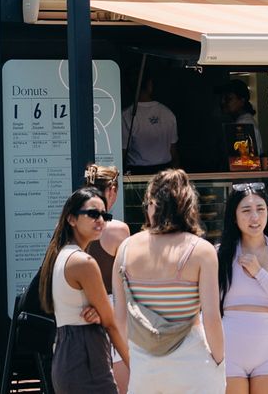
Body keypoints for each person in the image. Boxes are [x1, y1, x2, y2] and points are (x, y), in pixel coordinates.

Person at [113, 169, 225, 394]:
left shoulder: (126, 249)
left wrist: (138, 360)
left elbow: (120, 321)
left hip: (145, 367)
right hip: (194, 362)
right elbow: (212, 318)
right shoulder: (201, 251)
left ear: (153, 204)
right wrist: (219, 362)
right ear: (188, 206)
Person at [37, 187, 130, 393]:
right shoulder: (83, 262)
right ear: (72, 219)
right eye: (93, 214)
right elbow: (111, 324)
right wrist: (135, 365)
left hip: (67, 356)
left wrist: (100, 312)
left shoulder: (61, 255)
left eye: (105, 215)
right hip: (86, 357)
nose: (100, 220)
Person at [217, 182, 268, 394]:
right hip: (229, 348)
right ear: (234, 216)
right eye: (246, 210)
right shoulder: (220, 254)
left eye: (260, 209)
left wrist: (259, 273)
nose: (255, 217)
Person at [78, 164, 133, 393]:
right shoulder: (118, 230)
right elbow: (130, 279)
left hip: (80, 312)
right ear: (111, 190)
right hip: (113, 311)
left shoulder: (72, 227)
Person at [123, 72, 180, 175]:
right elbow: (173, 151)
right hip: (165, 172)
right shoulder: (167, 113)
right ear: (150, 85)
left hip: (137, 174)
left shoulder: (126, 115)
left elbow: (122, 152)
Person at [216, 79, 262, 153]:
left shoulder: (243, 125)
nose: (222, 102)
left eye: (228, 98)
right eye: (222, 98)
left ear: (242, 100)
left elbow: (244, 163)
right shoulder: (245, 122)